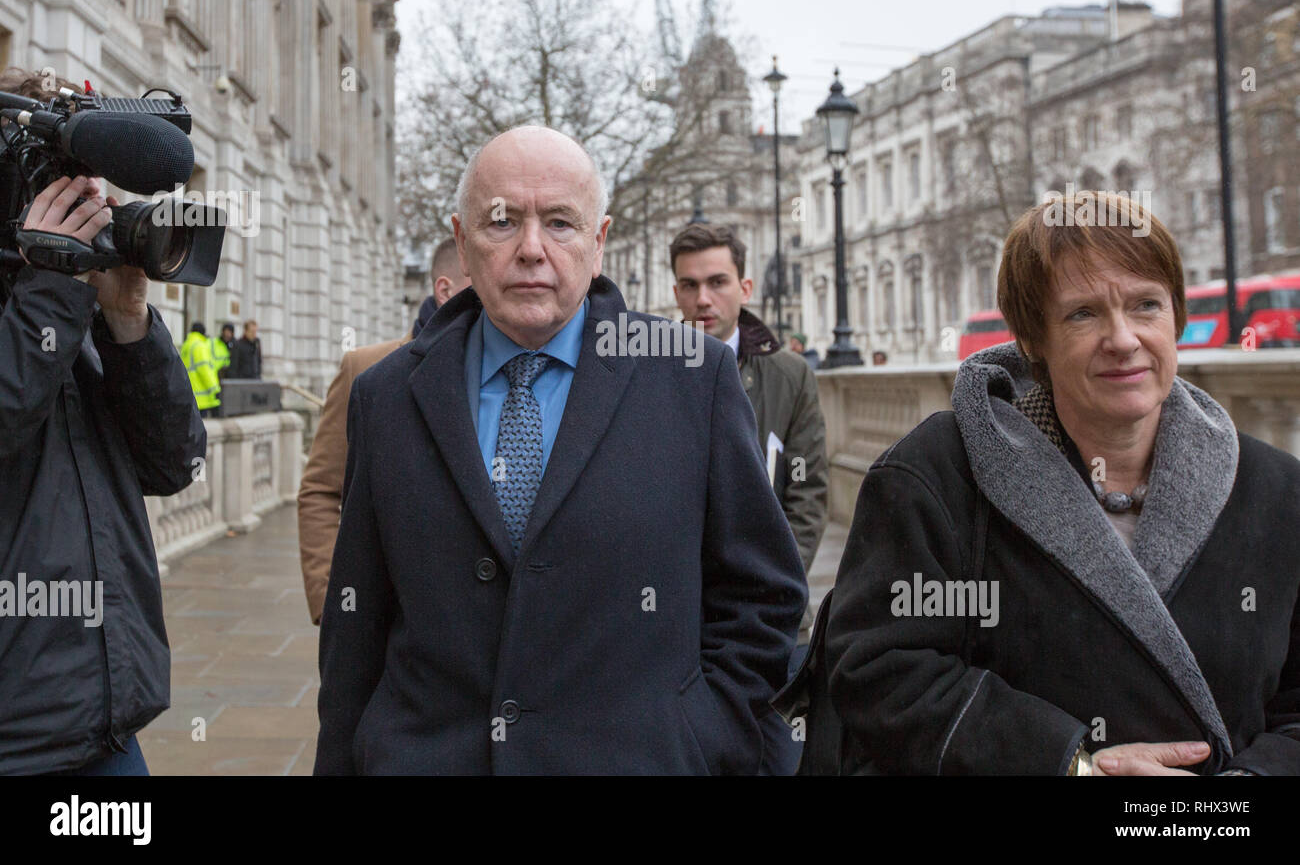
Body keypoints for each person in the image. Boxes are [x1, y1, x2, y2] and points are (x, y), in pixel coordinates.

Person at [315, 126, 804, 775]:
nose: (531, 249)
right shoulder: (387, 395)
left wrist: (700, 734)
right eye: (502, 221)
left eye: (560, 223)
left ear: (598, 243)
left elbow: (762, 596)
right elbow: (356, 632)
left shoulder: (693, 376)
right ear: (462, 241)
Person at [822, 193, 1300, 775]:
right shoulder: (936, 475)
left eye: (1146, 305)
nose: (1123, 339)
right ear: (1033, 340)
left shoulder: (1276, 489)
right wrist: (1069, 766)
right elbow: (876, 670)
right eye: (1083, 313)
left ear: (1176, 316)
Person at [0, 166, 206, 774]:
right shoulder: (52, 303)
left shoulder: (77, 316)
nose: (93, 214)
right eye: (66, 195)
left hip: (105, 723)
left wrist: (128, 320)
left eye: (92, 195)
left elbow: (177, 463)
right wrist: (52, 287)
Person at [671, 221, 828, 775]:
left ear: (746, 286)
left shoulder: (789, 375)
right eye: (688, 286)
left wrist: (771, 582)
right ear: (674, 293)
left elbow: (808, 495)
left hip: (773, 621)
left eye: (717, 281)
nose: (703, 299)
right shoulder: (648, 371)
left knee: (782, 760)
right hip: (678, 621)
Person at [297, 236, 470, 625]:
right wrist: (331, 601)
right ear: (446, 289)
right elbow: (321, 490)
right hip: (385, 629)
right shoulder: (366, 368)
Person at [180, 321, 221, 417]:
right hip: (201, 397)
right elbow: (204, 370)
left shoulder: (186, 345)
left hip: (189, 393)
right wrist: (215, 389)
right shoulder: (199, 346)